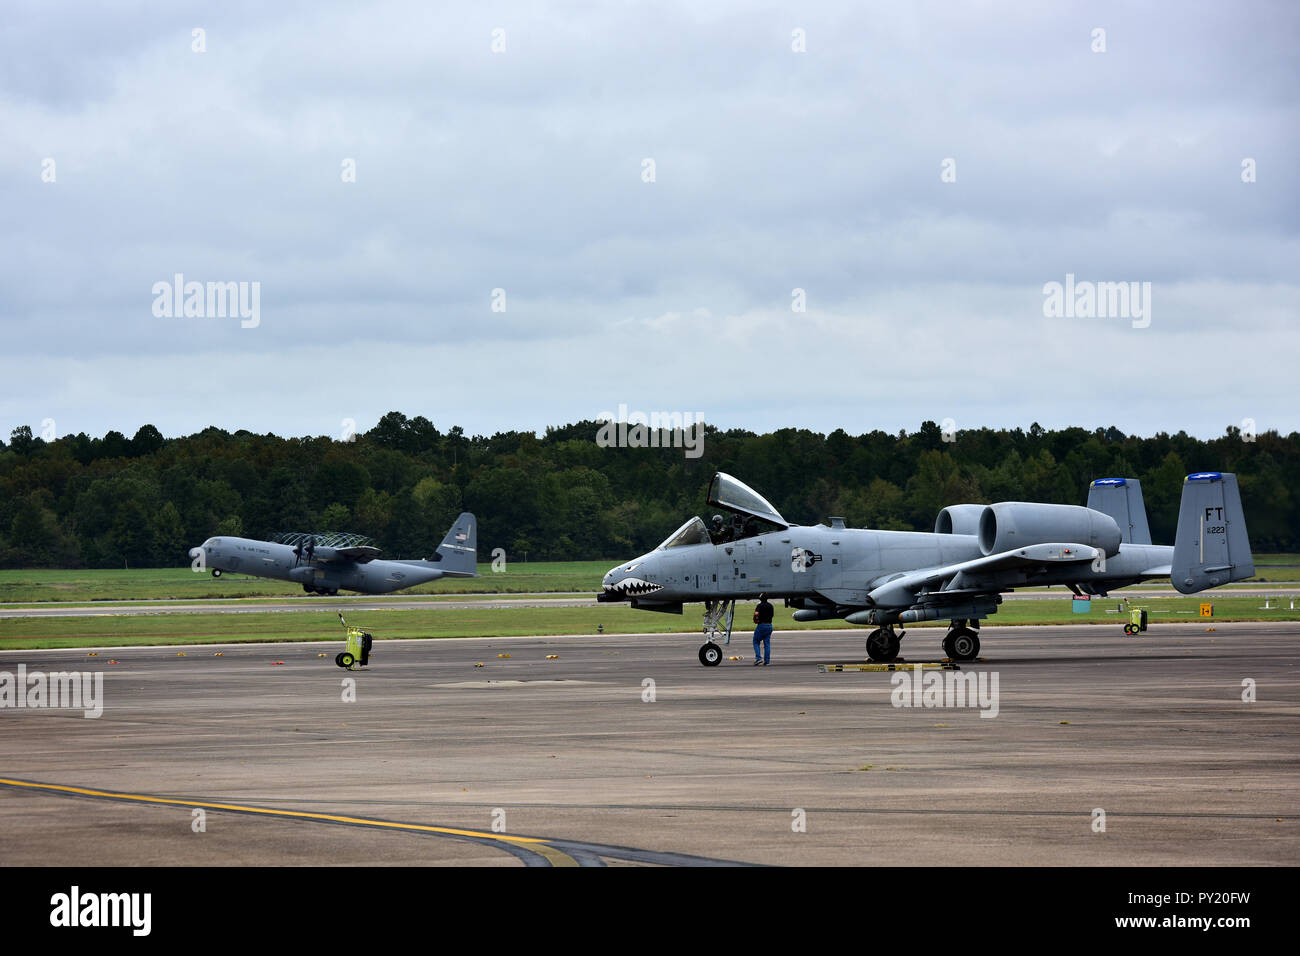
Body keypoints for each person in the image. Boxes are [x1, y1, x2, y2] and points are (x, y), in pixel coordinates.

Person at [752, 593, 774, 665]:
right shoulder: (771, 606)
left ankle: (758, 658)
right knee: (767, 644)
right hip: (769, 625)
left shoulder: (759, 605)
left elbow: (756, 614)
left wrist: (755, 620)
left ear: (760, 599)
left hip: (761, 625)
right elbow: (772, 615)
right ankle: (767, 661)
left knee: (756, 641)